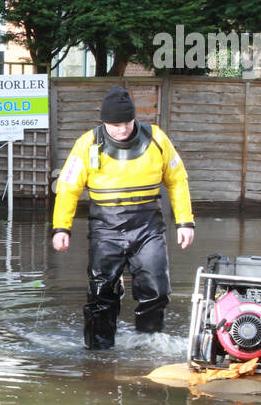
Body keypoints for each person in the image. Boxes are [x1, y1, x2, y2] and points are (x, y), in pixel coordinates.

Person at [52, 85, 194, 349]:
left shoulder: (157, 139)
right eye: (115, 124)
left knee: (157, 288)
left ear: (134, 118)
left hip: (147, 226)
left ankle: (148, 342)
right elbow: (68, 188)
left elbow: (177, 180)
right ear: (103, 121)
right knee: (100, 291)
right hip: (106, 227)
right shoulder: (87, 144)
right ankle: (98, 351)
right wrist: (61, 228)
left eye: (126, 122)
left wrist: (184, 222)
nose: (122, 129)